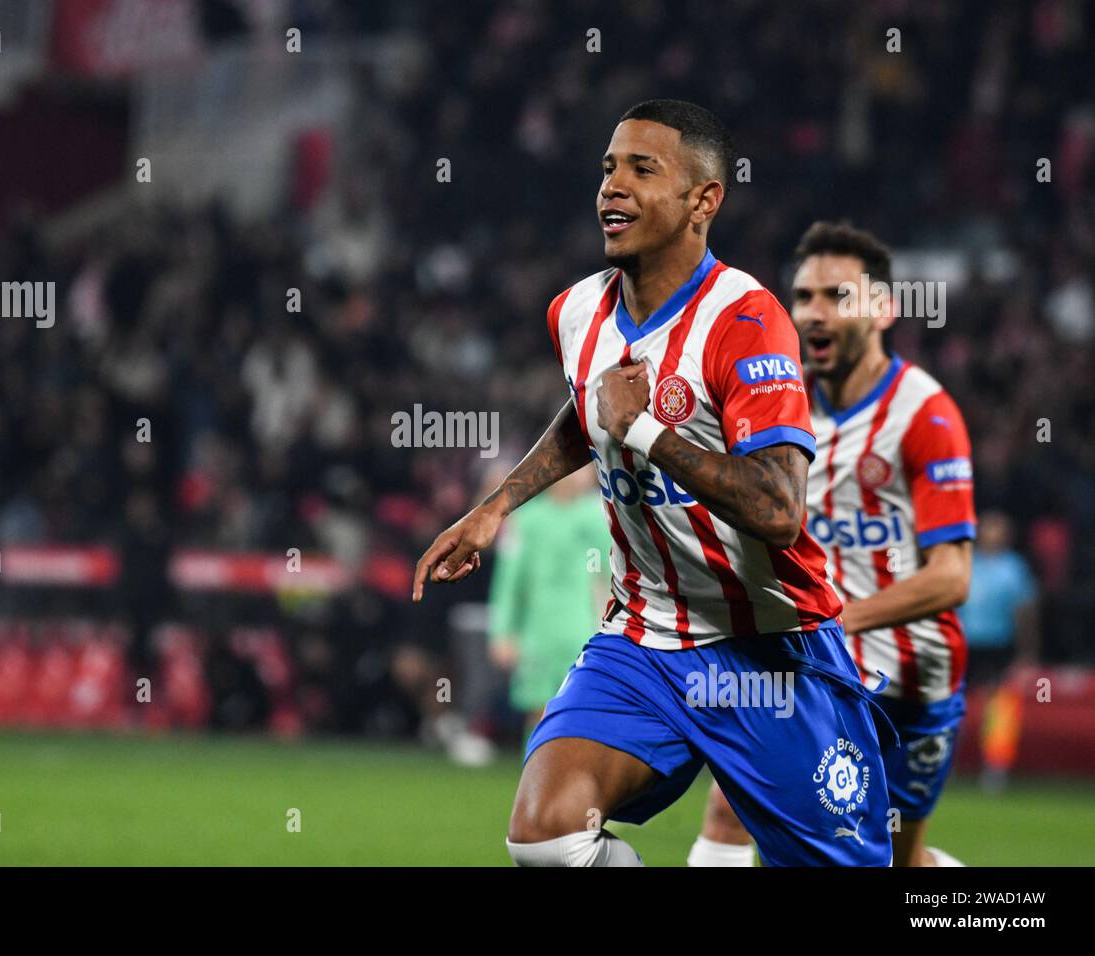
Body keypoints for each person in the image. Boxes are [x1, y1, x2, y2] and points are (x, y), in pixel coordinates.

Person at [412, 100, 893, 866]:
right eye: (608, 168)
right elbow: (586, 415)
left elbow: (778, 509)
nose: (614, 186)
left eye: (643, 169)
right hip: (643, 640)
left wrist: (645, 431)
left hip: (770, 653)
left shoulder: (747, 321)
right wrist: (498, 505)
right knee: (545, 833)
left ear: (704, 200)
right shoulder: (574, 312)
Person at [690, 221, 976, 867]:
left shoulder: (925, 415)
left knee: (896, 860)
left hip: (914, 677)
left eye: (836, 297)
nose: (814, 313)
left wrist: (843, 619)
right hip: (824, 664)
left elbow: (953, 577)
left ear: (883, 308)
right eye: (804, 296)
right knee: (732, 805)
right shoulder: (780, 407)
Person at [488, 464, 613, 737]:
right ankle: (537, 775)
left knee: (585, 711)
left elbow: (613, 579)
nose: (582, 474)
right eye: (576, 467)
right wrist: (502, 632)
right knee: (539, 711)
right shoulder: (525, 520)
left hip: (585, 630)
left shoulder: (600, 516)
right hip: (537, 633)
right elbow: (508, 582)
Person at [959, 509, 1039, 791]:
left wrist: (1027, 652)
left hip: (998, 647)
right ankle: (942, 763)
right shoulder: (967, 562)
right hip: (965, 644)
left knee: (1001, 709)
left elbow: (1025, 613)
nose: (993, 535)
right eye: (989, 528)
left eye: (998, 529)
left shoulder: (1014, 568)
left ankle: (994, 770)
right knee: (954, 704)